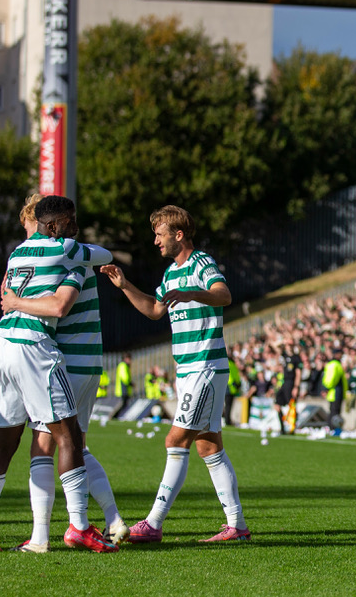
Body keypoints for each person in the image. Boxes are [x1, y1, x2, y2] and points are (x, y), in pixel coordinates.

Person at [0, 195, 117, 553]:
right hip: (33, 346)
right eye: (70, 221)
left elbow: (7, 293)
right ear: (54, 226)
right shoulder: (66, 249)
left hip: (1, 343)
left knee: (6, 439)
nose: (75, 227)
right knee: (69, 436)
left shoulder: (17, 253)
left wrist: (16, 302)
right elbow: (102, 258)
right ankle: (79, 526)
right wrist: (80, 254)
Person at [102, 205, 249, 543]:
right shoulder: (170, 273)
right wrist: (124, 285)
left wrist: (193, 293)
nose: (156, 241)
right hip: (188, 369)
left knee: (175, 440)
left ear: (178, 235)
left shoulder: (201, 263)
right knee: (209, 447)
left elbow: (224, 294)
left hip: (204, 365)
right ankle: (237, 526)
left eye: (160, 234)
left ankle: (153, 523)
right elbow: (155, 310)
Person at [8, 194, 126, 553]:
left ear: (42, 225)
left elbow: (51, 307)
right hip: (90, 362)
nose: (29, 238)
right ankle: (113, 519)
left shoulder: (55, 255)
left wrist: (15, 302)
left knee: (43, 445)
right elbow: (102, 254)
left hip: (64, 362)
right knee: (76, 445)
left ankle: (42, 535)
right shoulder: (76, 255)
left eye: (29, 228)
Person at [275, 346, 302, 433]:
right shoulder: (284, 356)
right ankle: (282, 428)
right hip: (284, 382)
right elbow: (275, 347)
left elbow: (298, 373)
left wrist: (296, 387)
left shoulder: (296, 358)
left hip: (291, 383)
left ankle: (292, 428)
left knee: (291, 405)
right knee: (277, 404)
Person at [322, 352, 346, 432]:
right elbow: (333, 378)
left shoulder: (331, 364)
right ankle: (333, 428)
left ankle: (331, 427)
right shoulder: (335, 365)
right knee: (335, 412)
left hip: (332, 392)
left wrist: (325, 388)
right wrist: (327, 388)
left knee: (333, 411)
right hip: (335, 392)